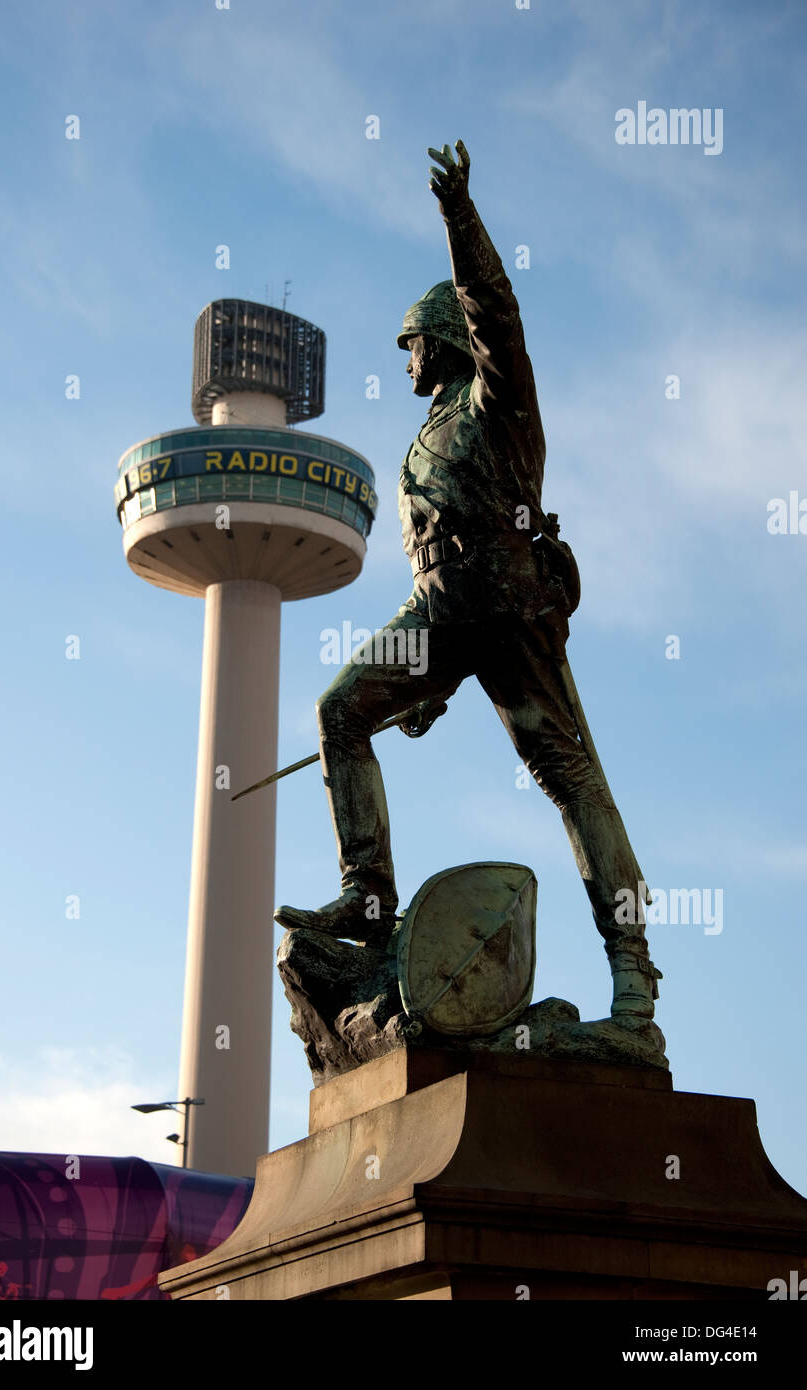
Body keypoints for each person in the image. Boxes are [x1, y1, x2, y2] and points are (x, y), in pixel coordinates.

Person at [275, 141, 661, 1027]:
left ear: (442, 341)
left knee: (572, 783)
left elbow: (496, 308)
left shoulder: (498, 407)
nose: (404, 359)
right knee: (342, 711)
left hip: (508, 605)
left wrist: (457, 214)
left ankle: (632, 973)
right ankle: (367, 898)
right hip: (440, 615)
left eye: (410, 342)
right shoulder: (424, 438)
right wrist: (428, 680)